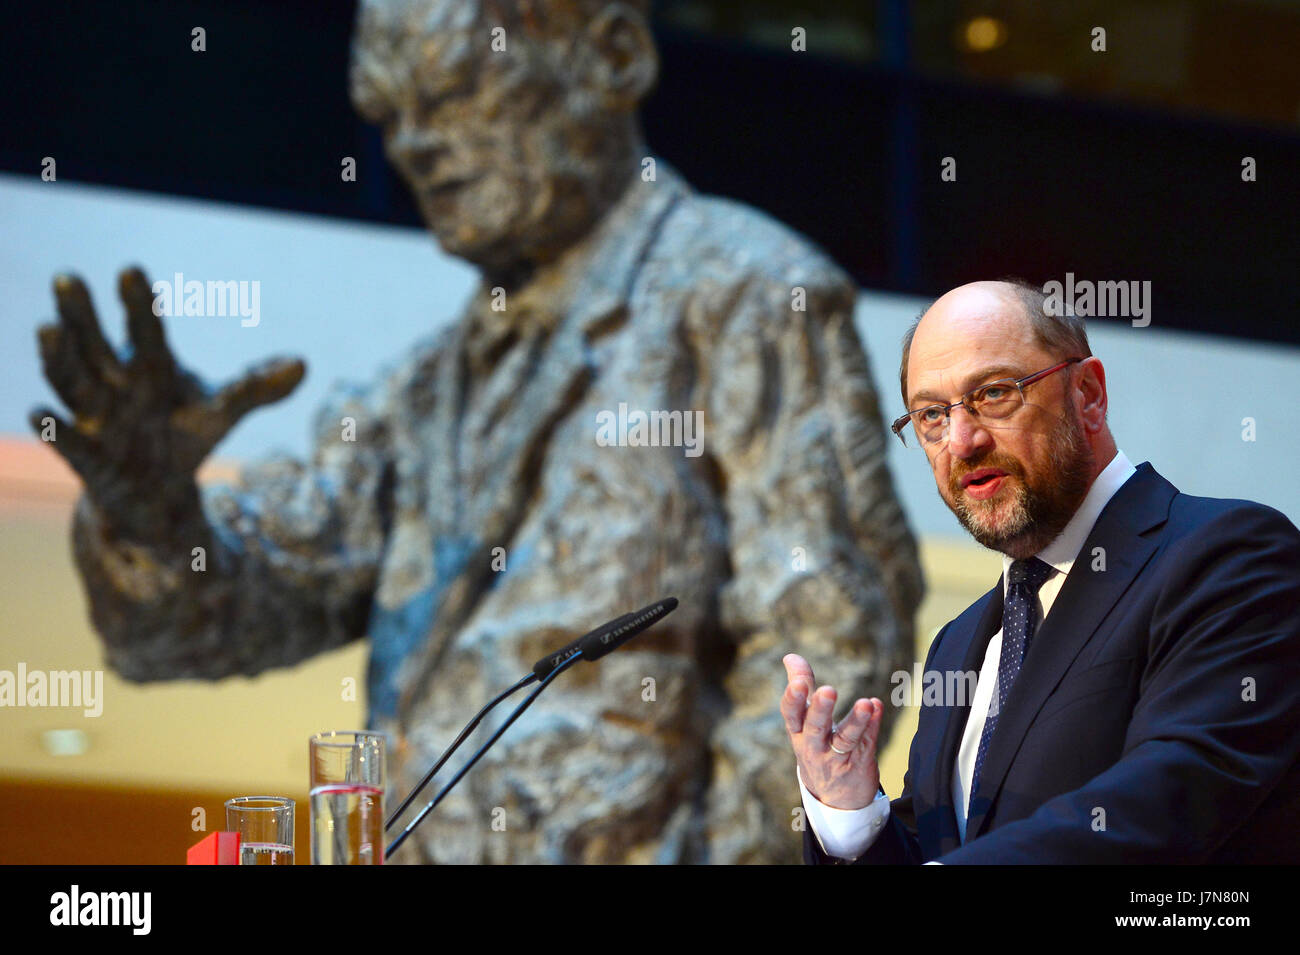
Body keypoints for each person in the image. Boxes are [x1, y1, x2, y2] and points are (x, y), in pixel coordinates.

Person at [30, 0, 922, 863]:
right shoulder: (420, 391)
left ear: (613, 56)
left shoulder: (745, 294)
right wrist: (153, 515)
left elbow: (827, 643)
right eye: (393, 113)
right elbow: (209, 620)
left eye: (457, 88)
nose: (416, 142)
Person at [782, 279, 1300, 863]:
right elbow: (943, 848)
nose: (962, 440)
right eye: (930, 415)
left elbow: (1172, 795)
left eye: (995, 393)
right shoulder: (957, 644)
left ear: (1088, 393)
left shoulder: (1229, 556)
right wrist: (851, 816)